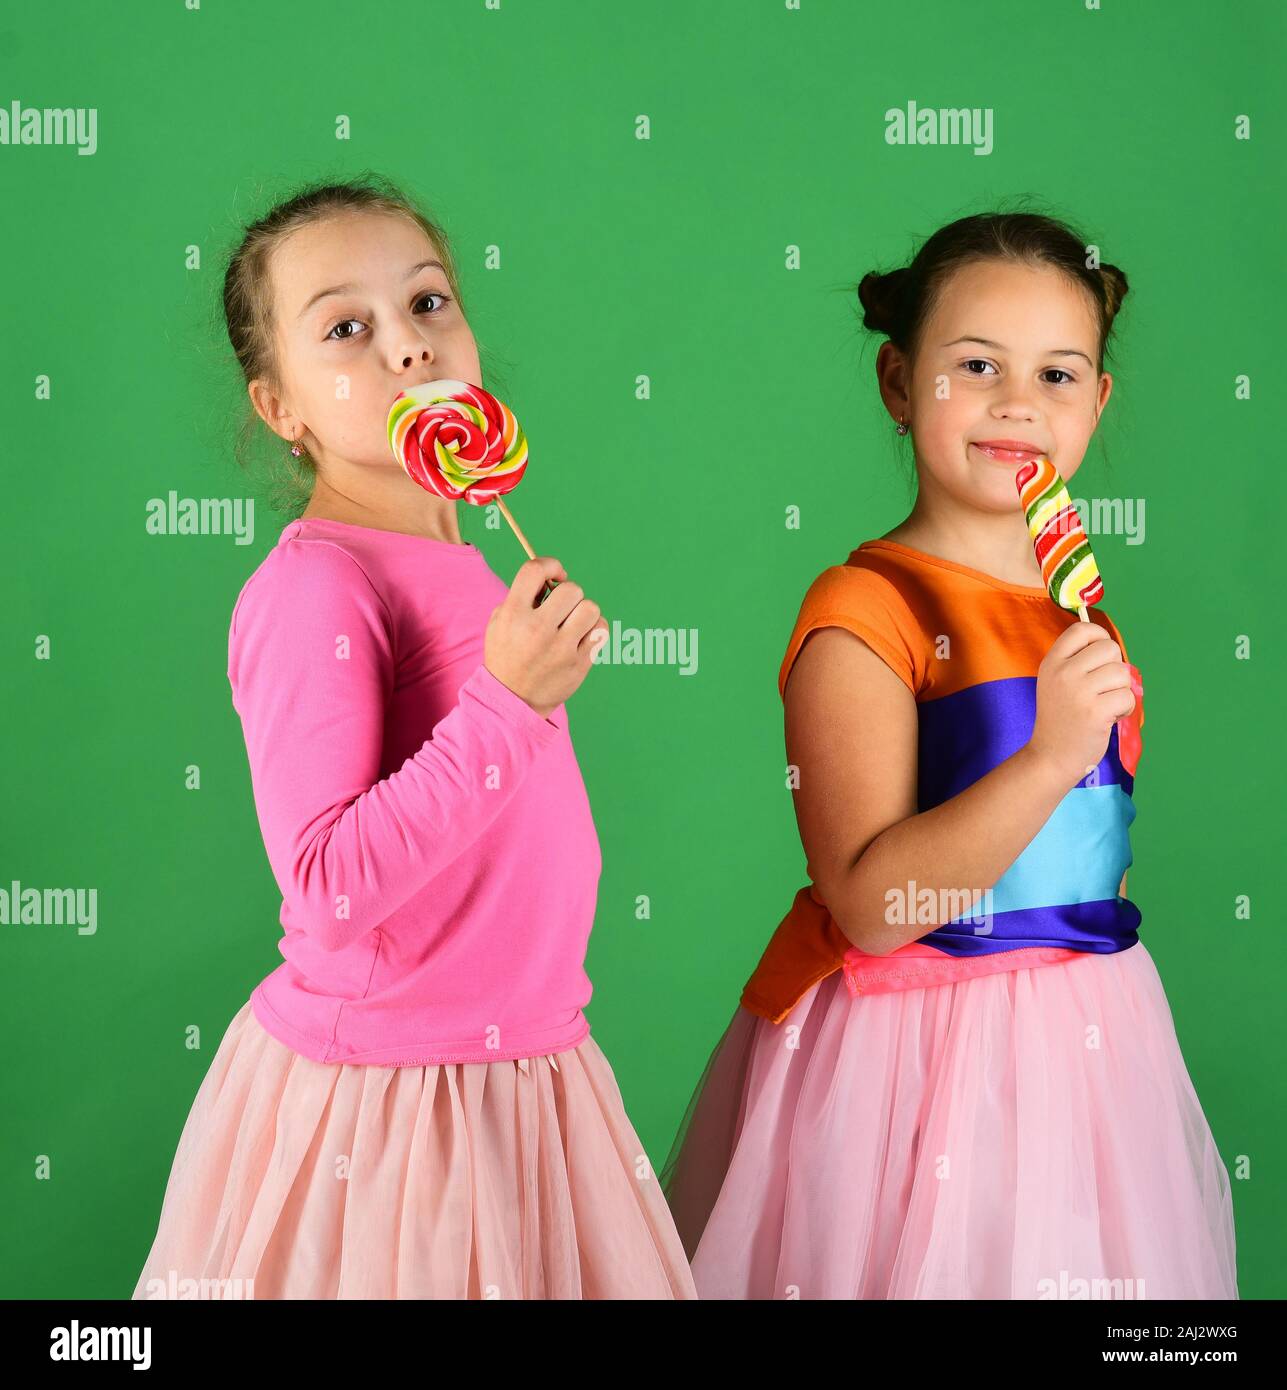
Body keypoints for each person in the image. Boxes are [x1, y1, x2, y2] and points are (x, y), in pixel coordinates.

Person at [132, 174, 696, 1300]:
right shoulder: (316, 587)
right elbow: (327, 888)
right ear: (279, 407)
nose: (407, 344)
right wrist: (510, 701)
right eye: (345, 328)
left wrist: (516, 688)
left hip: (533, 1069)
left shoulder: (468, 566)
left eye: (428, 302)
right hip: (394, 1107)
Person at [660, 209, 1238, 1301]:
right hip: (907, 1063)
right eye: (976, 366)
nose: (1018, 402)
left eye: (1057, 374)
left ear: (1097, 402)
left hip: (1087, 1048)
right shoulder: (866, 609)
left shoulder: (1082, 619)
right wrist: (1049, 753)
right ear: (898, 381)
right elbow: (874, 908)